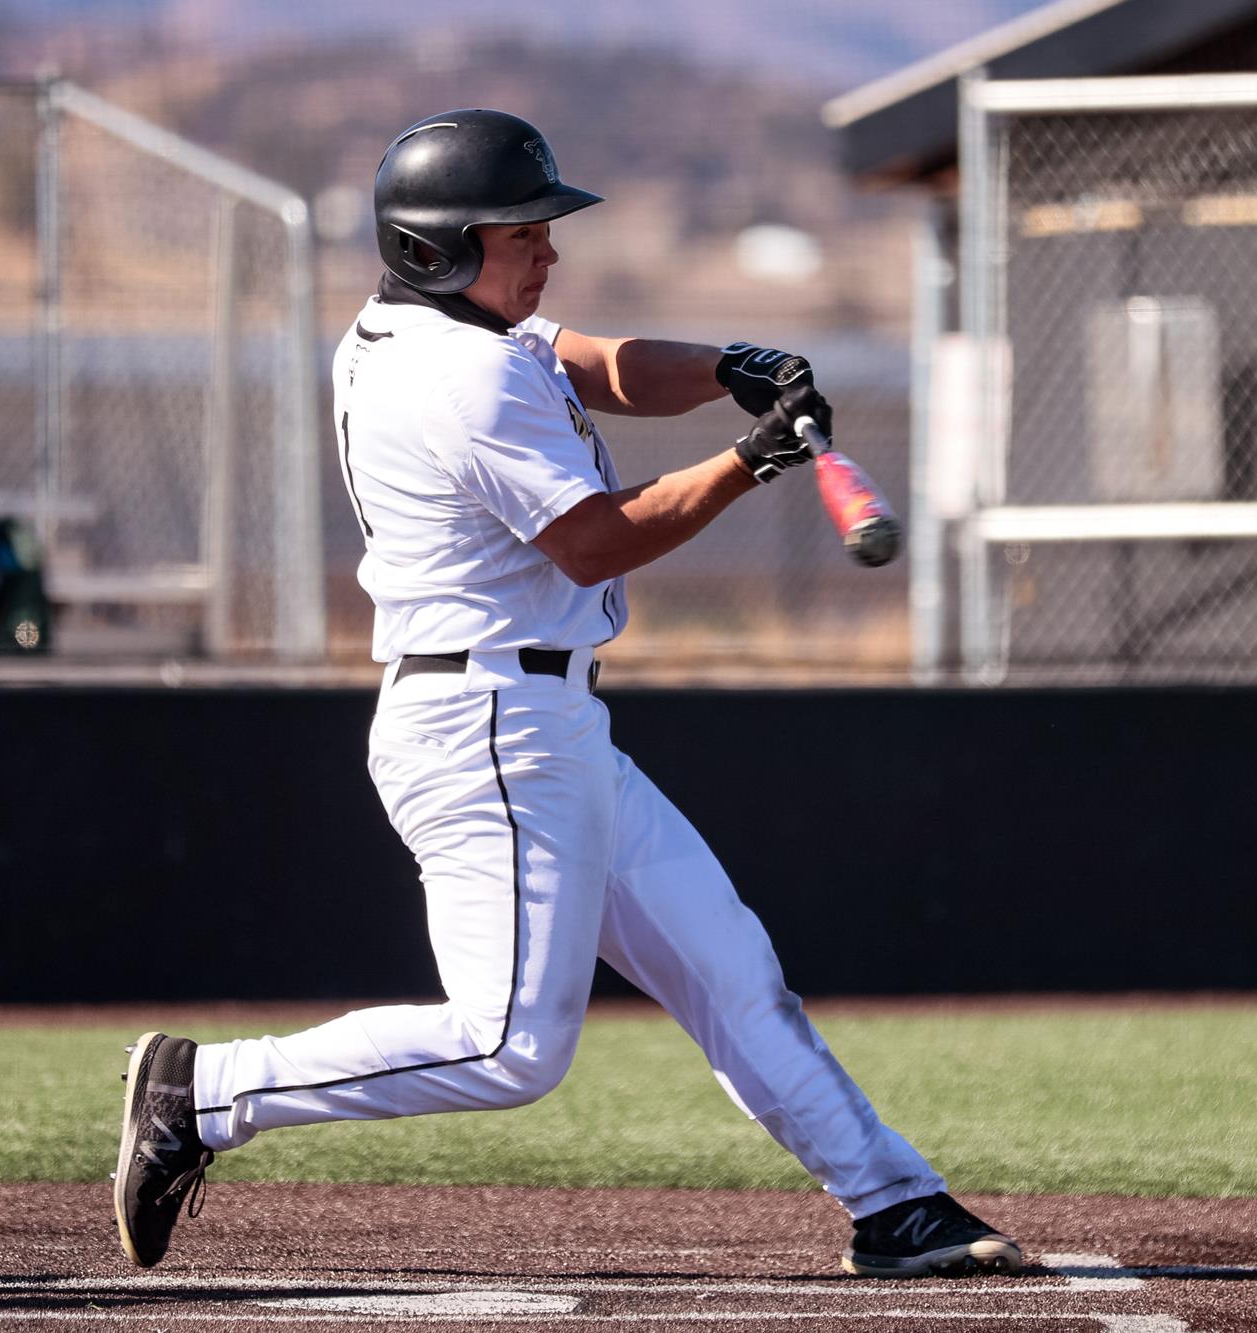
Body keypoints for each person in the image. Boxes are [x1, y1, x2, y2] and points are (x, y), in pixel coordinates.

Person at [112, 109, 1024, 1281]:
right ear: (437, 249)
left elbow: (582, 355)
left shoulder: (426, 328)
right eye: (521, 233)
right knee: (508, 1045)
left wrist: (730, 371)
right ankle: (205, 1092)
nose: (546, 251)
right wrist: (750, 460)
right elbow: (594, 543)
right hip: (487, 726)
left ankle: (893, 1203)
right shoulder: (454, 378)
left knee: (728, 969)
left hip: (540, 719)